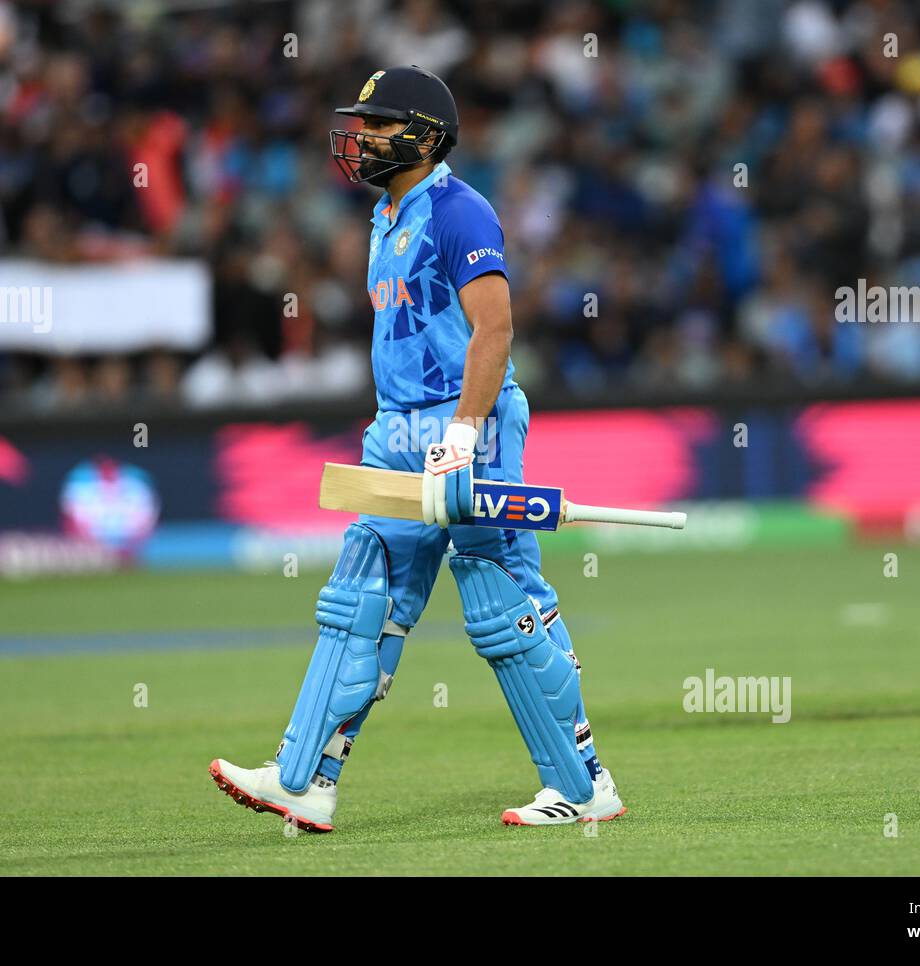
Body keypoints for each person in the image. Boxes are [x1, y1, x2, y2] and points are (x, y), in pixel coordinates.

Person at [209, 66, 623, 831]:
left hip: (472, 426)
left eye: (378, 124)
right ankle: (304, 778)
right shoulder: (385, 216)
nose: (361, 138)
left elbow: (494, 330)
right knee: (361, 597)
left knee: (502, 602)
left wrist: (464, 434)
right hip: (395, 427)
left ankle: (584, 783)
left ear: (425, 137)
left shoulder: (461, 212)